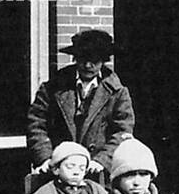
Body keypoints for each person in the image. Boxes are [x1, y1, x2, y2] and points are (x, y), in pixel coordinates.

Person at [26, 29, 134, 175]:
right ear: (75, 58)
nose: (88, 65)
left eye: (94, 60)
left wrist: (102, 160)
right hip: (59, 167)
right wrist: (45, 157)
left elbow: (123, 130)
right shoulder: (53, 87)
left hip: (96, 170)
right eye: (83, 59)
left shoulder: (117, 92)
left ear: (103, 60)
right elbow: (36, 123)